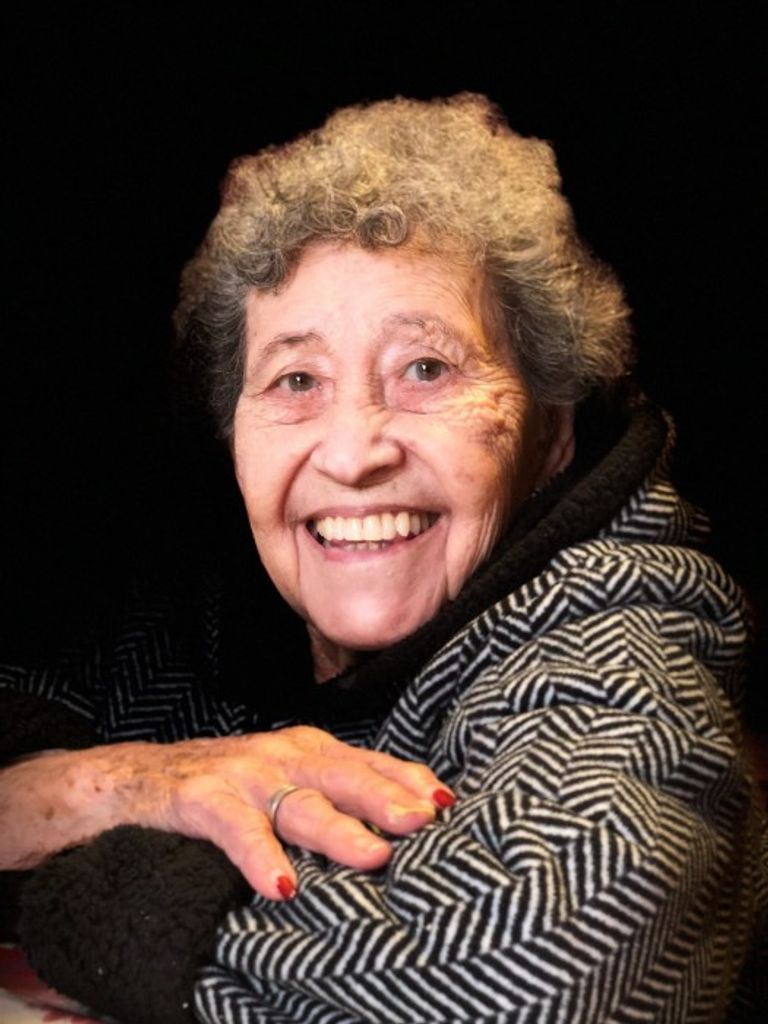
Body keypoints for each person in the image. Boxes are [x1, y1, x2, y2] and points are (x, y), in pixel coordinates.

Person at [1, 94, 765, 1023]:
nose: (354, 451)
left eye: (426, 369)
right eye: (296, 380)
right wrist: (81, 786)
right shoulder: (190, 630)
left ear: (552, 428)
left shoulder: (620, 655)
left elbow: (545, 974)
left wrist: (69, 855)